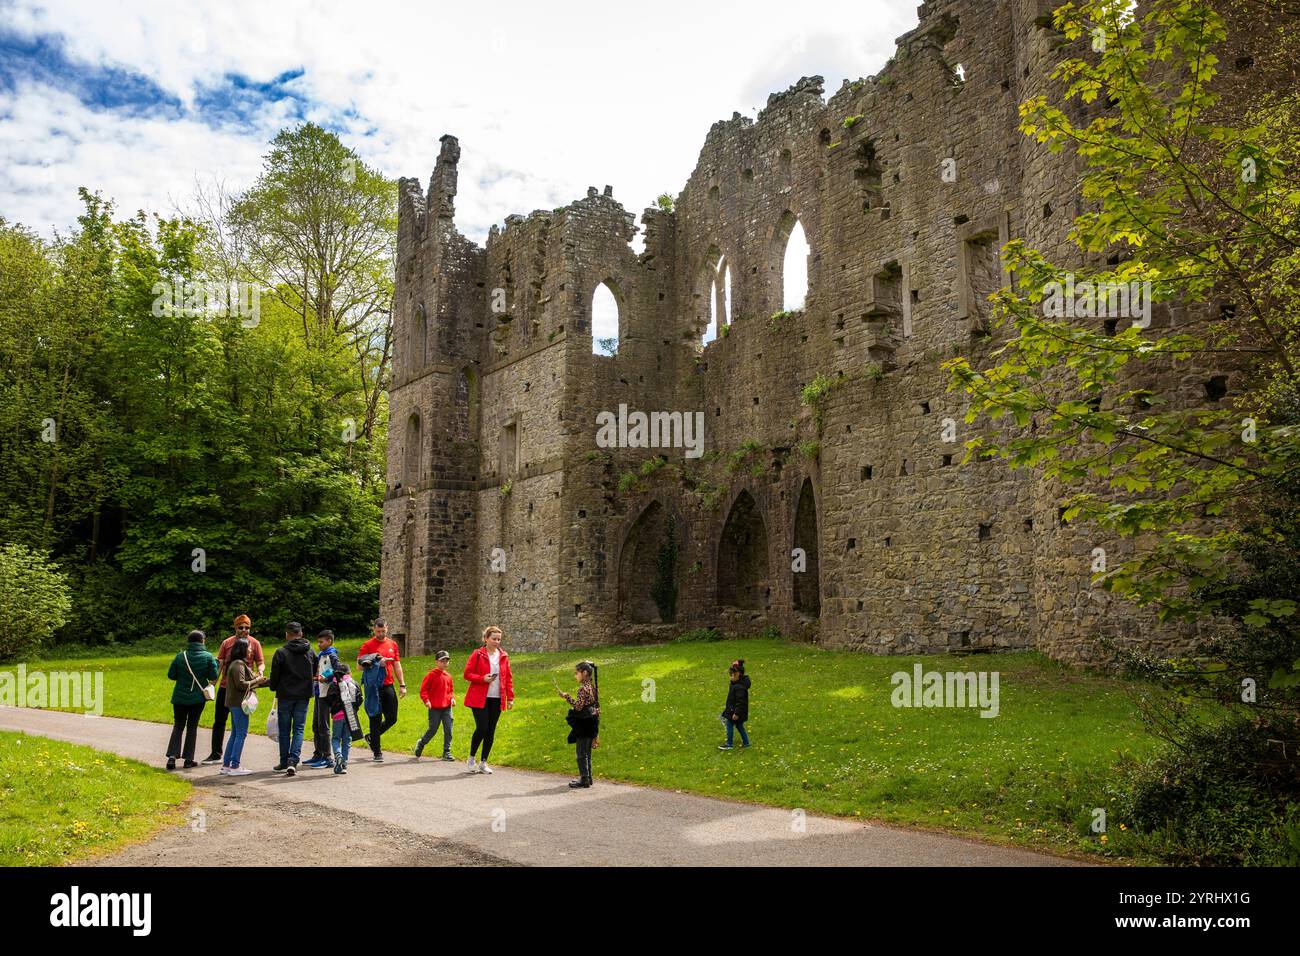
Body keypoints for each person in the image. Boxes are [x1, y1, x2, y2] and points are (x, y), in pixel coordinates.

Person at [203, 614, 265, 764]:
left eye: (247, 627)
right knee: (220, 720)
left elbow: (260, 662)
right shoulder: (227, 643)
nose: (244, 630)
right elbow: (220, 664)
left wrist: (261, 672)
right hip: (226, 686)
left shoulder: (254, 643)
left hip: (244, 688)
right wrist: (212, 683)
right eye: (241, 627)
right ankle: (216, 753)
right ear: (235, 628)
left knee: (238, 727)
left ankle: (229, 760)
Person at [266, 621, 317, 776]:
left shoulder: (281, 652)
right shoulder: (310, 651)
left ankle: (283, 760)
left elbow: (275, 675)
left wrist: (273, 686)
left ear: (287, 634)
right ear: (300, 634)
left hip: (286, 694)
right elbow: (315, 670)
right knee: (299, 729)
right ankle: (293, 760)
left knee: (284, 729)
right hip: (303, 695)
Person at [463, 626, 514, 774]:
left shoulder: (503, 655)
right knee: (482, 728)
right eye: (494, 639)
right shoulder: (477, 654)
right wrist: (482, 679)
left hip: (496, 698)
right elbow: (467, 674)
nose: (497, 641)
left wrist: (510, 697)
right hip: (479, 698)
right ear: (486, 639)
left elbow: (508, 678)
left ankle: (483, 762)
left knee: (491, 731)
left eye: (499, 639)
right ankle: (471, 758)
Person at [165, 630, 218, 770]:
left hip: (179, 697)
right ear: (202, 641)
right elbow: (213, 675)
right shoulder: (208, 657)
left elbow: (171, 675)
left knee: (178, 725)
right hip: (197, 698)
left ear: (189, 641)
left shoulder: (180, 656)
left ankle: (172, 756)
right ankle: (188, 759)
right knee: (192, 727)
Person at [356, 619, 405, 762]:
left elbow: (397, 664)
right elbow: (359, 666)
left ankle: (372, 736)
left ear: (387, 629)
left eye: (383, 631)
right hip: (373, 687)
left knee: (392, 718)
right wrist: (377, 662)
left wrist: (402, 684)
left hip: (388, 685)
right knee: (375, 718)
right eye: (378, 631)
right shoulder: (367, 645)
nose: (381, 634)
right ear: (373, 630)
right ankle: (377, 751)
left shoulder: (392, 644)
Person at [220, 638, 268, 776]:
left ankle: (226, 765)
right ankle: (235, 766)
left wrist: (263, 682)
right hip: (238, 703)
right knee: (241, 734)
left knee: (235, 734)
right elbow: (241, 684)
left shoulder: (237, 664)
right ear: (242, 649)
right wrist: (257, 680)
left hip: (234, 703)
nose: (250, 650)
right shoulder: (238, 664)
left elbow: (248, 682)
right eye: (248, 648)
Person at [558, 660, 599, 789]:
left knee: (581, 753)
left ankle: (584, 779)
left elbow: (578, 707)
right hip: (592, 722)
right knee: (587, 752)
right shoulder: (592, 687)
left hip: (583, 723)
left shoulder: (583, 689)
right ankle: (588, 777)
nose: (575, 675)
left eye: (577, 673)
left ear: (584, 673)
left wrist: (567, 697)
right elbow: (596, 706)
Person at [305, 629, 340, 769]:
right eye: (318, 641)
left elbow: (338, 670)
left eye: (321, 642)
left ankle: (327, 757)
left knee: (323, 726)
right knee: (316, 725)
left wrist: (327, 678)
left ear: (329, 641)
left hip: (327, 694)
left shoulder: (332, 655)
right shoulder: (321, 655)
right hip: (319, 692)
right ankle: (318, 754)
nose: (318, 644)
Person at [414, 651, 455, 761]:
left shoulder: (448, 676)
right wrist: (426, 701)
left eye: (446, 661)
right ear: (436, 662)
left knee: (449, 729)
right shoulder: (431, 675)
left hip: (447, 707)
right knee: (433, 729)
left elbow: (450, 690)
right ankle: (421, 743)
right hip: (434, 708)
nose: (445, 663)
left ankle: (447, 751)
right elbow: (423, 690)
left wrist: (452, 699)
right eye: (442, 661)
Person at [323, 661, 362, 775]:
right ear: (349, 672)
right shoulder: (353, 683)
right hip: (351, 716)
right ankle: (344, 764)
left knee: (336, 738)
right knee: (347, 740)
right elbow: (359, 699)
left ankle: (338, 755)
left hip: (338, 716)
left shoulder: (334, 684)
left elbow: (329, 699)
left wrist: (333, 710)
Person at [718, 659, 751, 751]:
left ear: (738, 675)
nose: (730, 676)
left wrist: (736, 713)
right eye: (730, 674)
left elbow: (741, 703)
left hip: (735, 712)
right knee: (740, 726)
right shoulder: (735, 684)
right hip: (733, 710)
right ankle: (746, 742)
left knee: (729, 724)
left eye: (732, 675)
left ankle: (729, 744)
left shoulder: (740, 687)